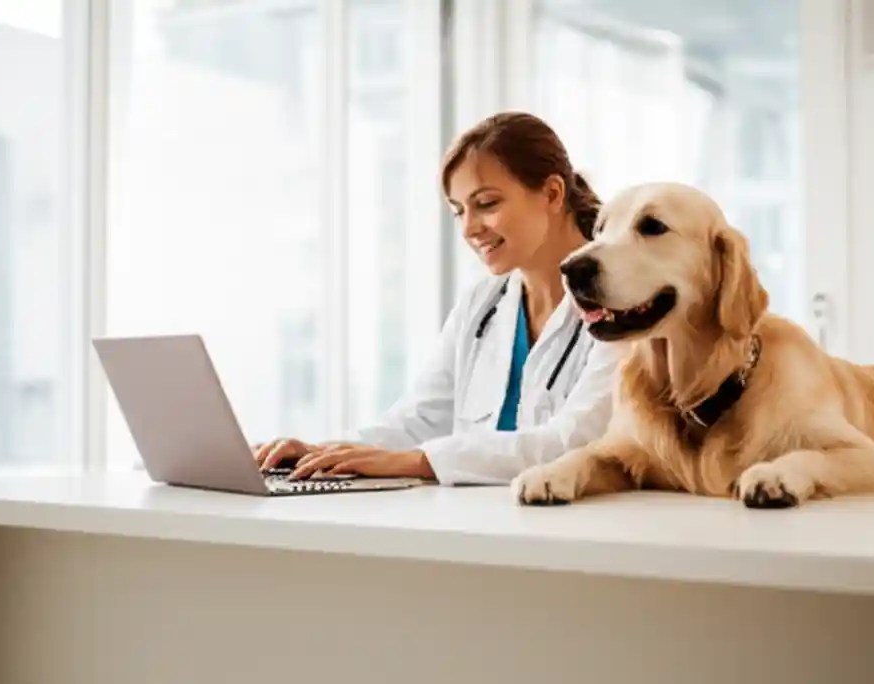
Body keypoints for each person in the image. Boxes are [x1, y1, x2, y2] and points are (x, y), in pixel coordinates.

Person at [255, 111, 619, 485]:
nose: (469, 229)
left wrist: (422, 462)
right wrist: (321, 453)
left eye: (487, 204)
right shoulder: (482, 305)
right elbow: (419, 420)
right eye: (459, 211)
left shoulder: (624, 304)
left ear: (553, 194)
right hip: (468, 521)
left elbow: (576, 441)